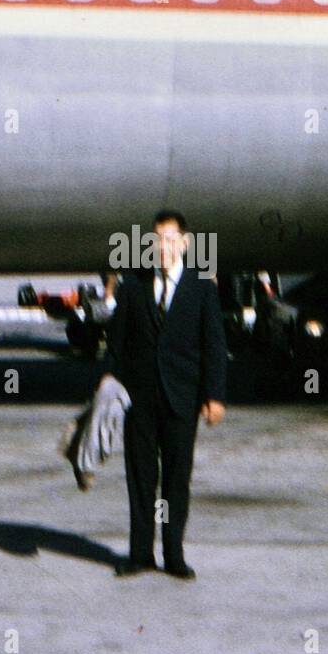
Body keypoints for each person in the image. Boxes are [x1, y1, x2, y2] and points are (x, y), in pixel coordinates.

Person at [104, 210, 227, 579]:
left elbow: (214, 346)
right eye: (157, 240)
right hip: (139, 401)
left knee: (176, 479)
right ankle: (140, 553)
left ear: (185, 244)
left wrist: (214, 395)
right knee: (141, 478)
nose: (163, 247)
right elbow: (116, 344)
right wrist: (108, 379)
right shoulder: (133, 287)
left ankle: (174, 553)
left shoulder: (202, 287)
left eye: (171, 239)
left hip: (182, 400)